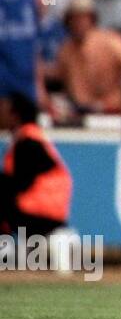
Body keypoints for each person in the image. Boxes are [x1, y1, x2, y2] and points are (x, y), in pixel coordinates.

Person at [0, 93, 71, 241]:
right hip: (47, 212)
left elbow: (19, 183)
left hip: (39, 213)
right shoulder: (29, 137)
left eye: (3, 109)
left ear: (15, 115)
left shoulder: (28, 142)